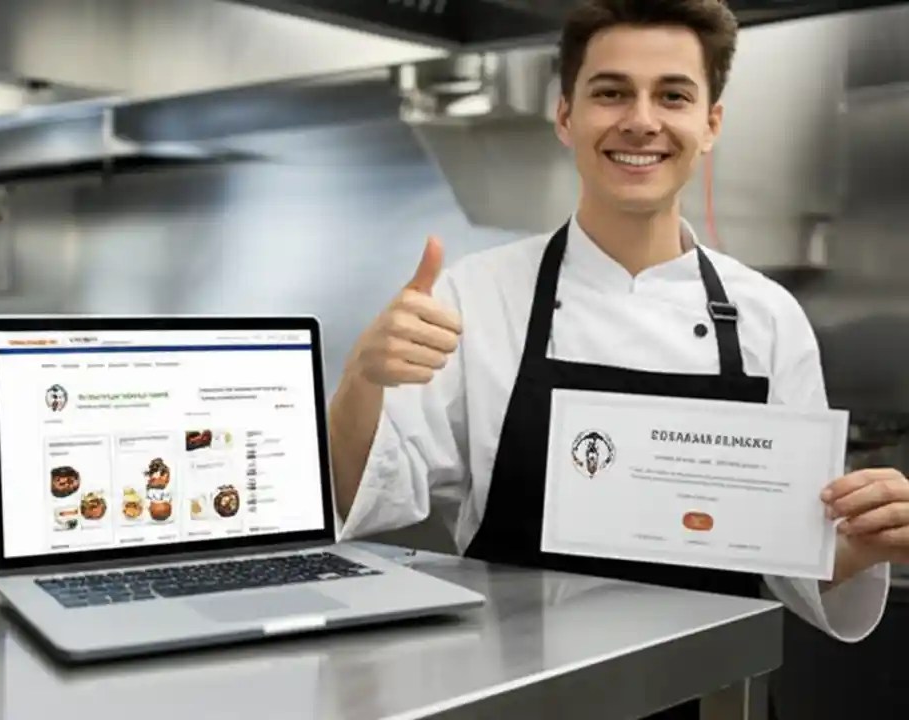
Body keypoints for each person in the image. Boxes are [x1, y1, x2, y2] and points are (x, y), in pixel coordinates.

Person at [330, 1, 906, 716]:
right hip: (518, 698)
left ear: (711, 125)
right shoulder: (475, 295)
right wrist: (361, 378)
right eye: (610, 92)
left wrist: (871, 542)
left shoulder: (768, 318)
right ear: (566, 116)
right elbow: (368, 496)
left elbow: (800, 567)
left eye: (673, 94)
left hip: (707, 697)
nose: (641, 119)